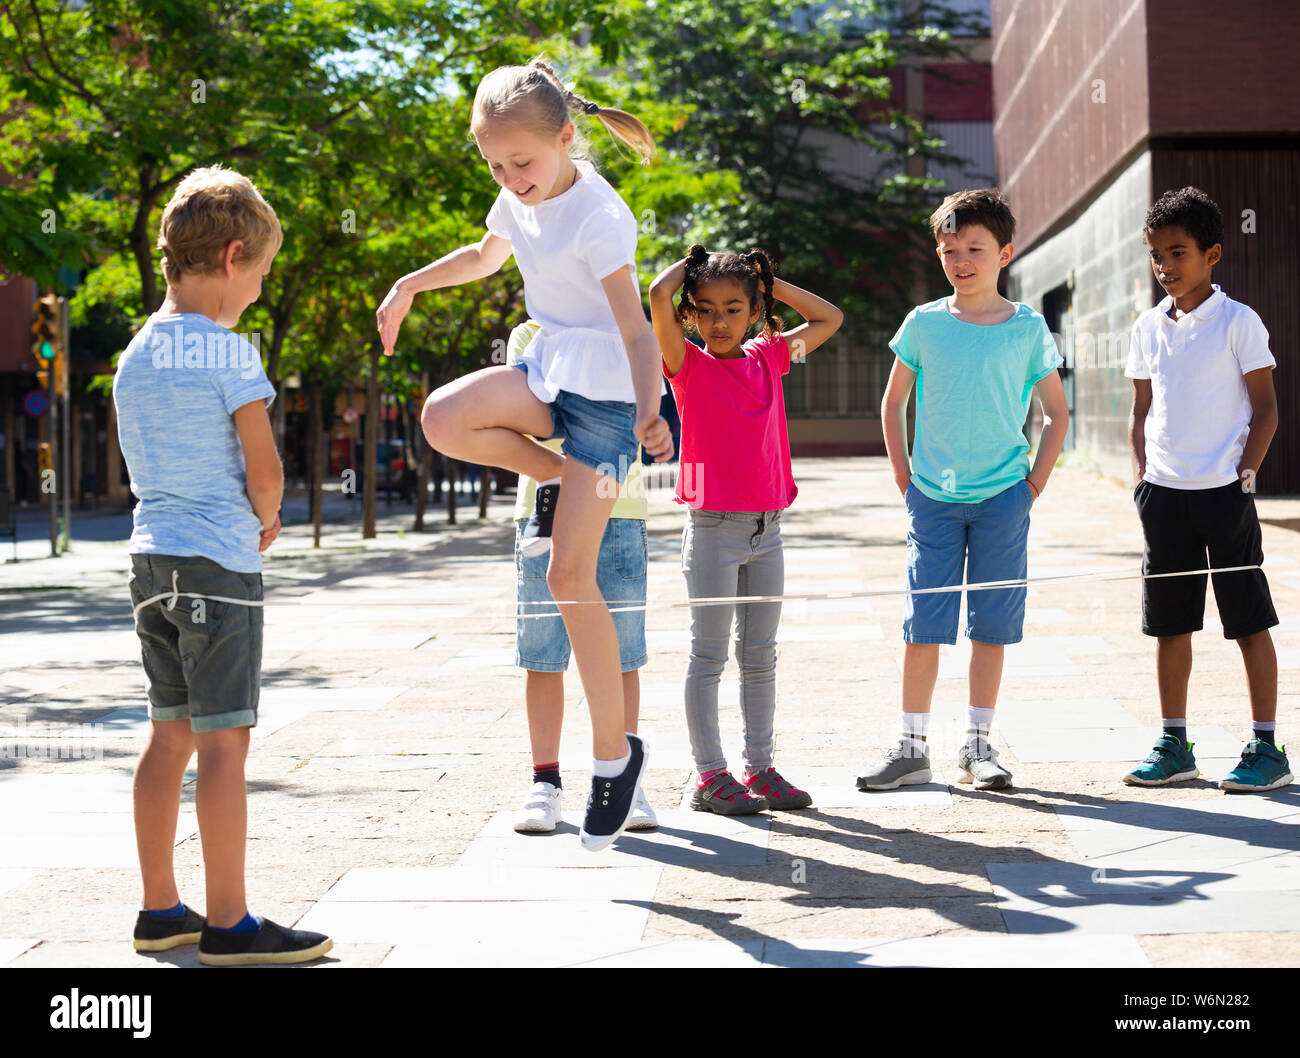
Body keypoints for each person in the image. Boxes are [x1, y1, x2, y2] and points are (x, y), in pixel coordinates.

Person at [376, 60, 673, 851]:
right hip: (548, 371)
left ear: (567, 139)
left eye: (523, 163)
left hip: (610, 396)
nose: (511, 178)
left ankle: (615, 760)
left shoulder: (600, 218)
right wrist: (408, 284)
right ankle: (555, 476)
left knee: (567, 577)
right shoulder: (517, 194)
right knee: (444, 417)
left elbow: (638, 332)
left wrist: (650, 412)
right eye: (496, 165)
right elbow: (483, 256)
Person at [114, 165, 332, 965]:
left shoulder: (135, 353)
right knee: (225, 744)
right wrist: (268, 516)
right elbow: (265, 469)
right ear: (235, 255)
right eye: (263, 274)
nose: (260, 291)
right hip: (217, 566)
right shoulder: (229, 351)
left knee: (167, 735)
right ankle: (231, 923)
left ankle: (159, 908)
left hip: (151, 566)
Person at [859, 188, 1068, 794]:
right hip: (933, 499)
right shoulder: (923, 323)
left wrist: (1033, 486)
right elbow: (894, 400)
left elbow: (1056, 411)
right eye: (950, 249)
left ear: (1005, 253)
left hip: (1005, 496)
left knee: (991, 625)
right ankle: (910, 746)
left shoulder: (1028, 328)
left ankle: (978, 745)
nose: (961, 260)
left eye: (975, 248)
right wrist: (904, 475)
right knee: (923, 622)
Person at [650, 246, 842, 814]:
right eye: (706, 309)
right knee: (708, 655)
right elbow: (658, 296)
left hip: (769, 530)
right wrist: (695, 264)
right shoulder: (686, 364)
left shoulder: (771, 356)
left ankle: (760, 769)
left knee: (760, 655)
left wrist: (768, 281)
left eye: (735, 308)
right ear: (690, 317)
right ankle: (709, 776)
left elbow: (830, 319)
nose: (720, 321)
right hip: (712, 530)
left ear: (755, 311)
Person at [1122, 186, 1289, 793]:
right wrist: (1142, 477)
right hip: (1163, 497)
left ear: (1212, 254)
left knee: (1247, 619)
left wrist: (1246, 473)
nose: (1165, 266)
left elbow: (1267, 410)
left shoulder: (1238, 322)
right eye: (1157, 256)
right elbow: (1140, 410)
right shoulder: (1147, 327)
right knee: (1170, 625)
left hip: (1224, 492)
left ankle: (1267, 746)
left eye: (1179, 253)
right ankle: (1174, 743)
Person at [506, 321, 657, 833]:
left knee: (623, 655)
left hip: (620, 512)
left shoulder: (631, 333)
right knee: (543, 656)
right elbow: (534, 426)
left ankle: (623, 779)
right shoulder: (529, 337)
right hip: (544, 517)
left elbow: (638, 415)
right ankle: (544, 782)